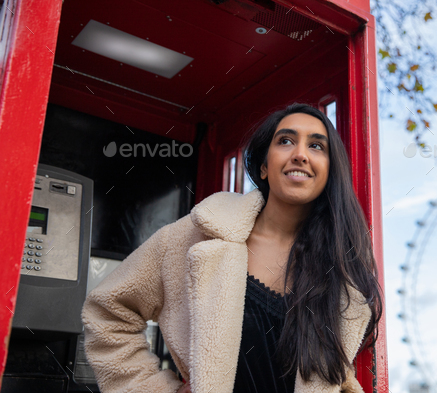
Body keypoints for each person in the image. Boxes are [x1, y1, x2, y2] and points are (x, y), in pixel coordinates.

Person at [81, 103, 383, 393]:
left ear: (330, 171)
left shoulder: (339, 268)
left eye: (316, 146)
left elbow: (335, 377)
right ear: (264, 167)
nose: (300, 154)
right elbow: (107, 310)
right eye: (286, 141)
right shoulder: (195, 236)